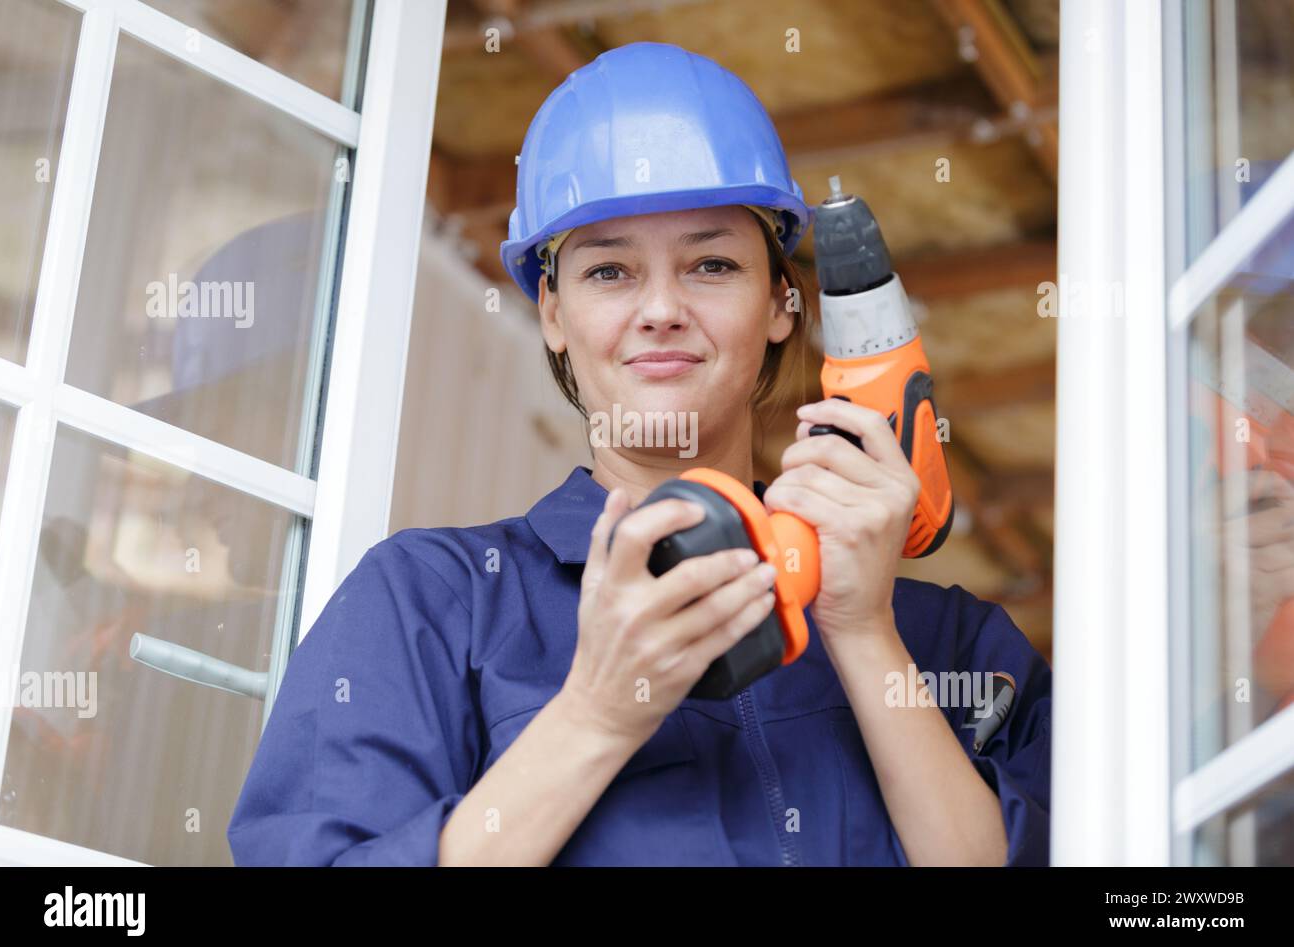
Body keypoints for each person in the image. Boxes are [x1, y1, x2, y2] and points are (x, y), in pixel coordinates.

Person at [226, 41, 1051, 866]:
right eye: (610, 271)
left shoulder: (954, 646)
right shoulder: (431, 604)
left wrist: (865, 632)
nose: (660, 308)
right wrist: (596, 713)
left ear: (780, 305)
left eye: (713, 264)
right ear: (553, 311)